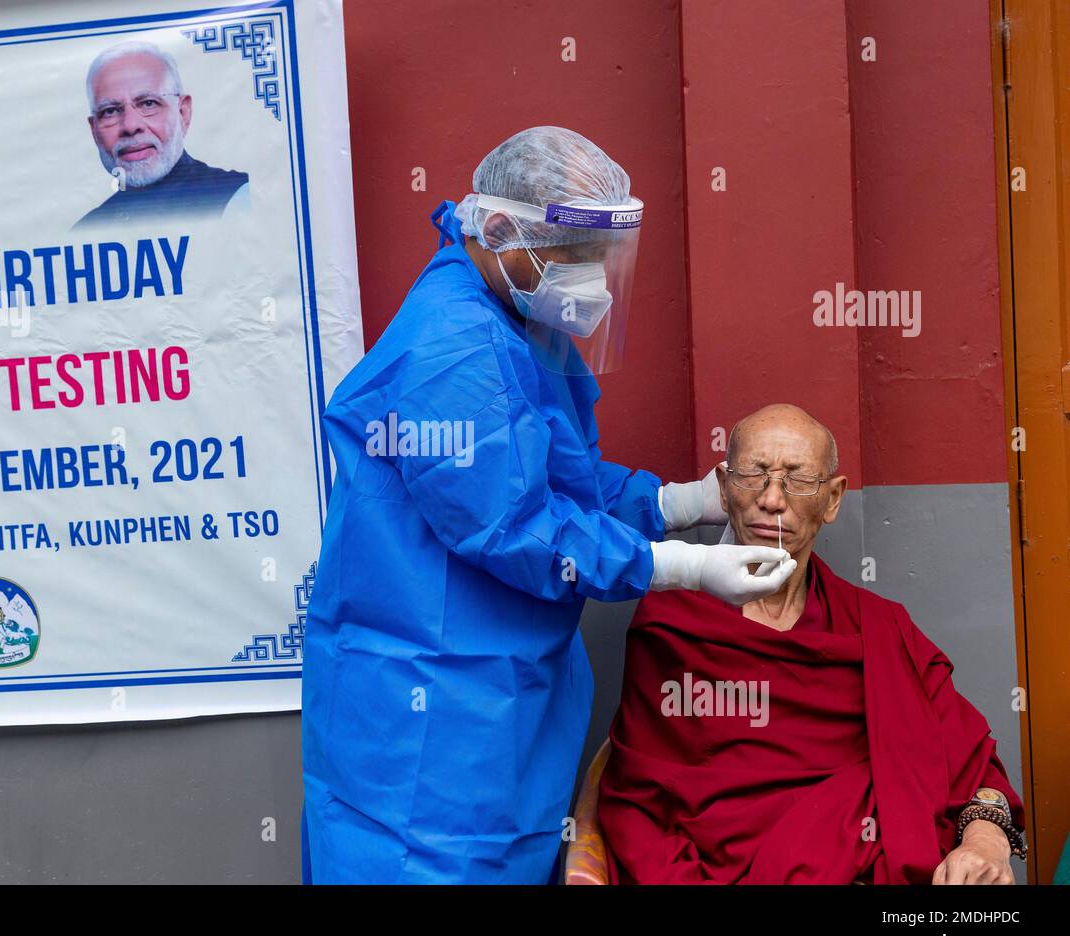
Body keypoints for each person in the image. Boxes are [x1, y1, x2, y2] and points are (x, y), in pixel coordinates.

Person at [301, 127, 799, 884]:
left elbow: (564, 480)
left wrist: (677, 502)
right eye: (574, 254)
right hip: (423, 725)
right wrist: (682, 565)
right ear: (498, 232)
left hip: (493, 710)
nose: (593, 278)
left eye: (602, 256)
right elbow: (514, 526)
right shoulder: (455, 349)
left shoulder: (522, 318)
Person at [595, 403, 1026, 884]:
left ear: (833, 499)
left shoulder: (878, 627)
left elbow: (973, 764)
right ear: (722, 486)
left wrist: (984, 841)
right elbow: (638, 802)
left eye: (798, 480)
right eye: (753, 475)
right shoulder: (673, 625)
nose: (772, 500)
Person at [74, 41, 248, 230]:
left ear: (183, 113)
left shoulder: (239, 199)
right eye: (110, 111)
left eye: (148, 103)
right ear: (94, 131)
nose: (131, 126)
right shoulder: (86, 231)